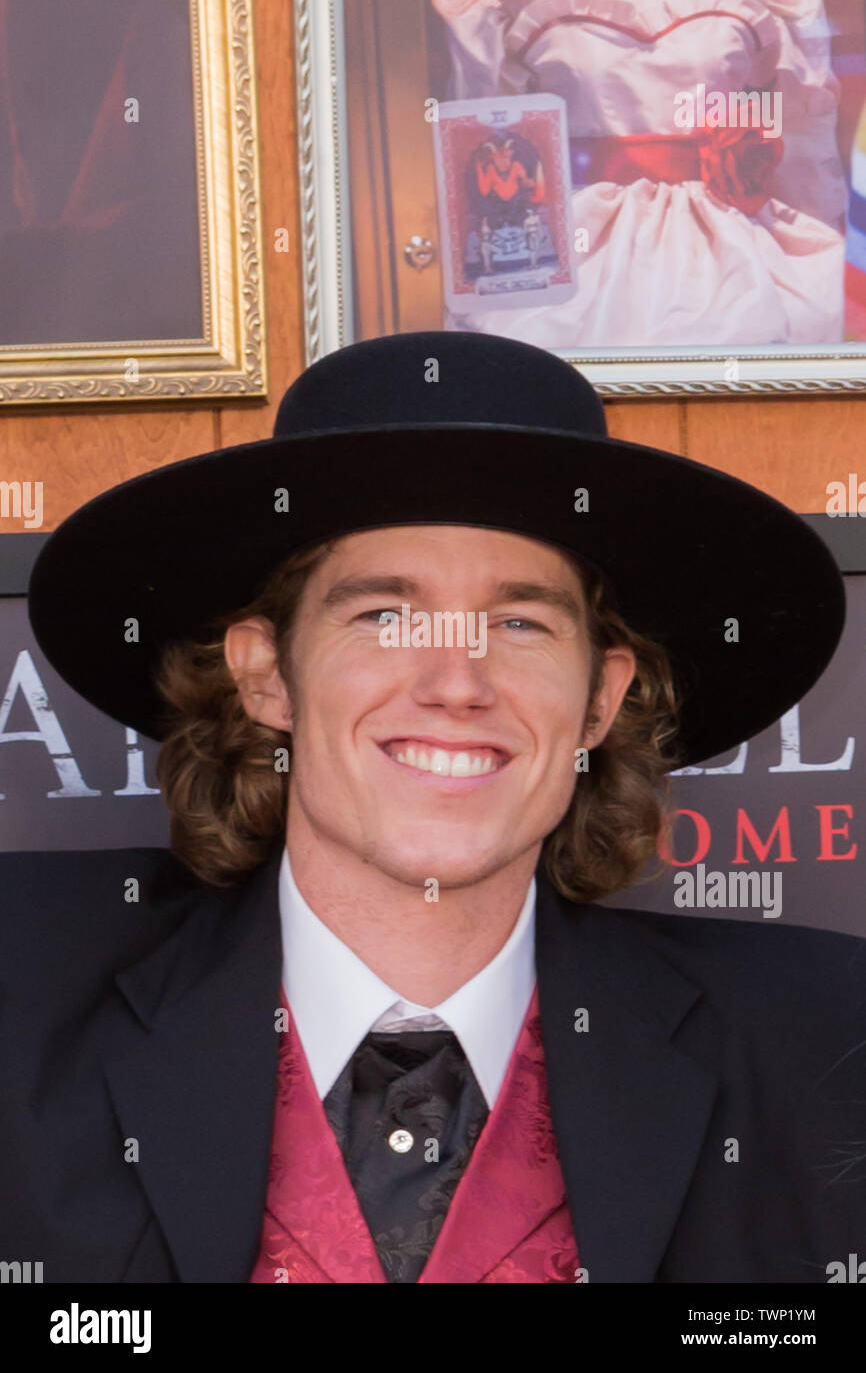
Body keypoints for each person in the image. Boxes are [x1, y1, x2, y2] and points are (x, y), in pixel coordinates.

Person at [2, 329, 864, 1283]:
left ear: (600, 699)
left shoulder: (830, 1048)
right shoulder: (23, 1002)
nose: (459, 683)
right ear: (266, 677)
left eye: (520, 622)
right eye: (384, 615)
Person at [431, 0, 847, 347]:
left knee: (744, 333)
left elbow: (796, 126)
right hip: (582, 233)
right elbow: (487, 135)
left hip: (722, 235)